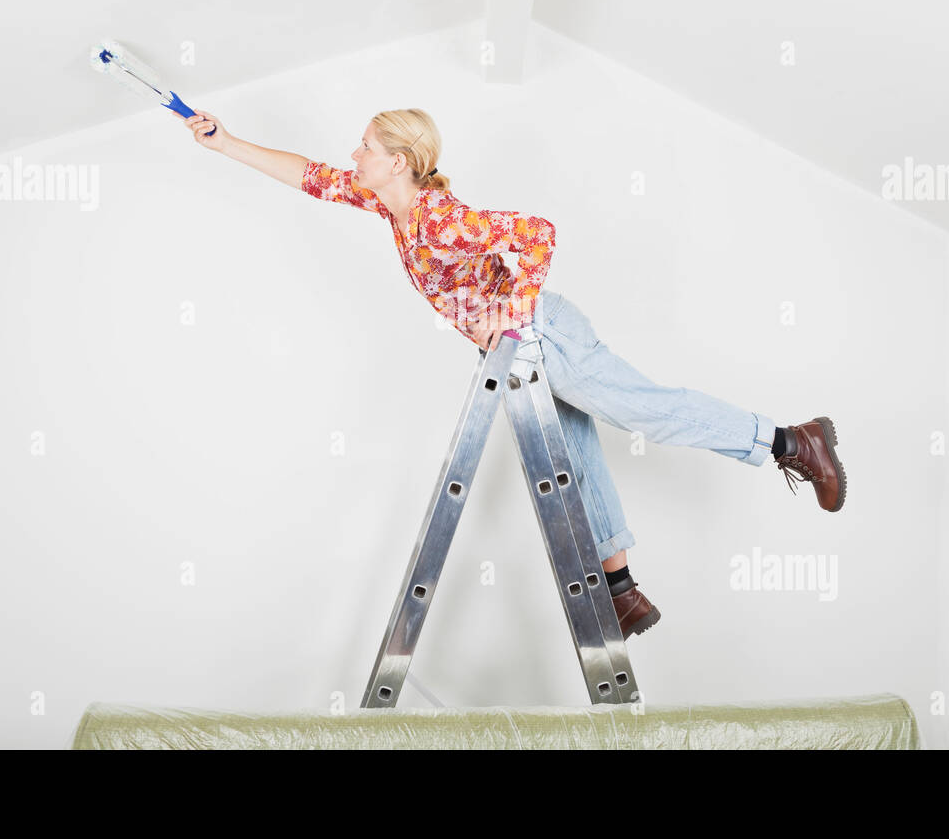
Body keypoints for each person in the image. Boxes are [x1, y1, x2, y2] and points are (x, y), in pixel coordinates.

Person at [178, 106, 848, 640]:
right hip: (517, 351)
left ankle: (791, 441)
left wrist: (512, 312)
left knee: (642, 409)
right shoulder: (393, 207)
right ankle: (621, 592)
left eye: (364, 146)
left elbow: (537, 233)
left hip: (543, 333)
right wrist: (226, 141)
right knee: (575, 458)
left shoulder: (437, 219)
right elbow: (311, 175)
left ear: (398, 161)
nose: (353, 156)